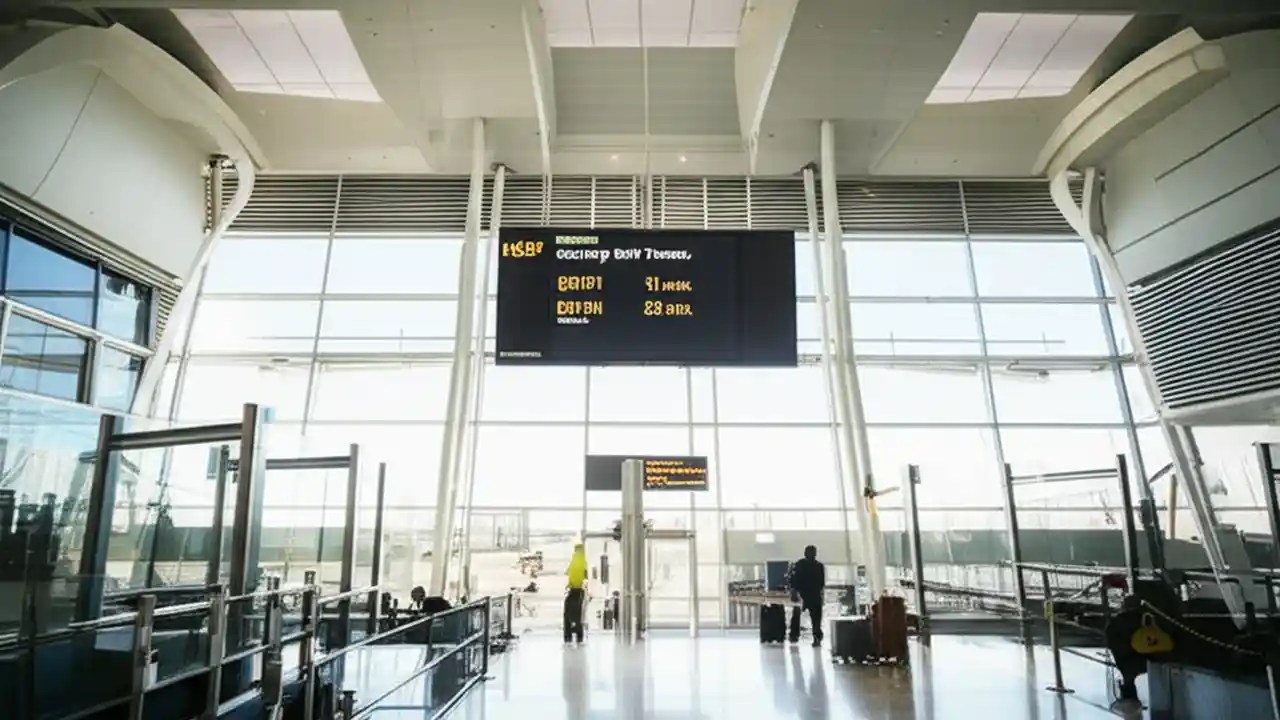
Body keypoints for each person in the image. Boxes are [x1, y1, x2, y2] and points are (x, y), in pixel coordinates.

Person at [788, 545, 826, 646]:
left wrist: (794, 591)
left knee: (812, 618)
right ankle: (797, 635)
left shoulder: (800, 565)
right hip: (808, 594)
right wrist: (794, 591)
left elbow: (793, 580)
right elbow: (821, 582)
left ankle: (795, 636)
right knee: (814, 618)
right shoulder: (817, 566)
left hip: (806, 594)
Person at [563, 542, 588, 645]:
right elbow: (586, 576)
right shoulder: (584, 561)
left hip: (572, 590)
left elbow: (568, 572)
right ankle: (579, 636)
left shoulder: (573, 560)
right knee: (579, 615)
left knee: (567, 614)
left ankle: (568, 636)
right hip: (580, 591)